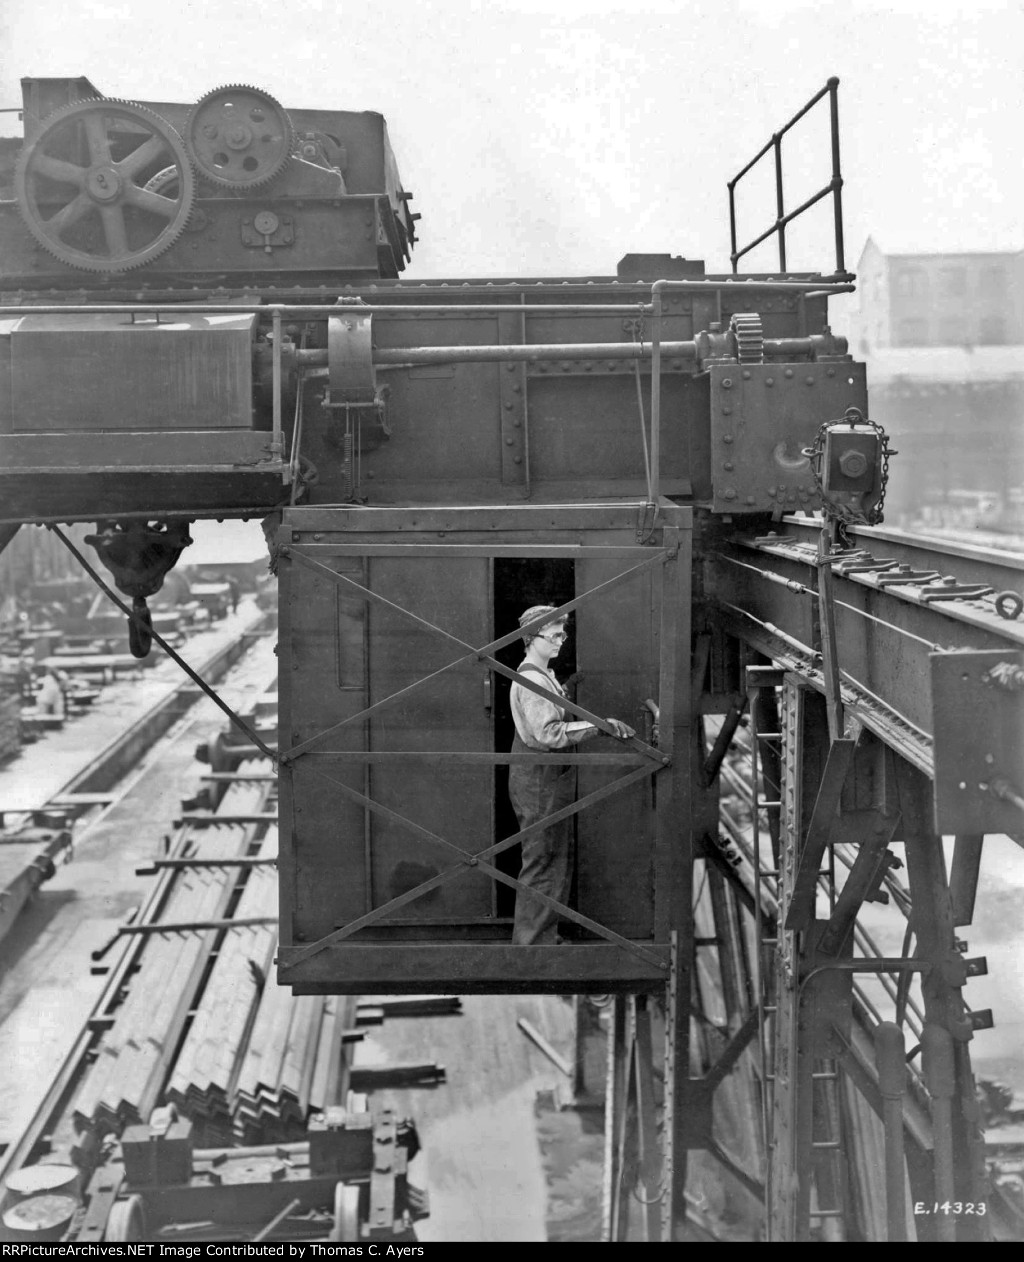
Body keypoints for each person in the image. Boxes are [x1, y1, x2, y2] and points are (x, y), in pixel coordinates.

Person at [508, 605, 635, 945]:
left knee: (550, 856)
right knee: (542, 858)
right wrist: (599, 726)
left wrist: (567, 688)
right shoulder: (533, 679)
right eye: (553, 635)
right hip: (537, 777)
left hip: (543, 775)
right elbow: (547, 733)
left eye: (562, 635)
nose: (560, 641)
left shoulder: (543, 675)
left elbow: (548, 711)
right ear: (531, 637)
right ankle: (531, 944)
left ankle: (542, 936)